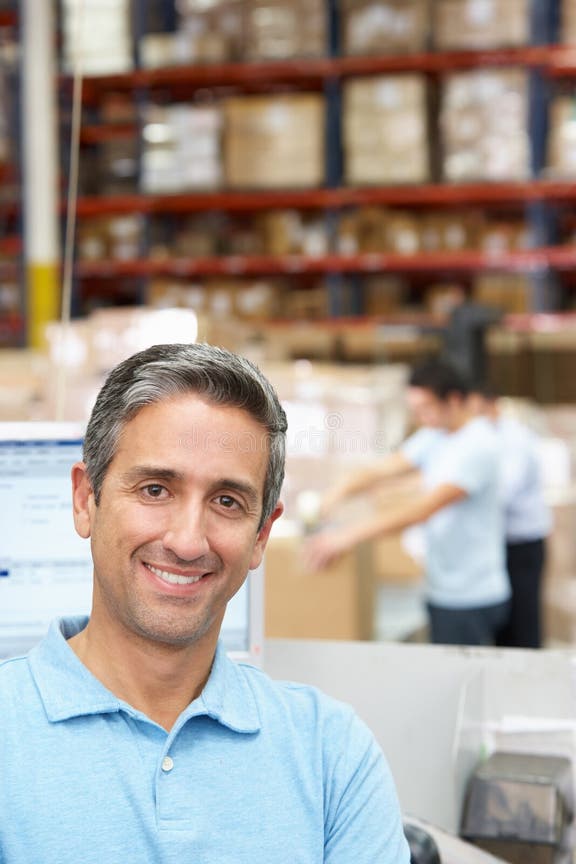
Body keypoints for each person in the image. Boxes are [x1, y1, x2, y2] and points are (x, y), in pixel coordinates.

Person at [0, 343, 409, 864]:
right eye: (154, 490)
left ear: (262, 534)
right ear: (86, 500)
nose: (188, 541)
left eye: (226, 502)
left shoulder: (331, 753)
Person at [305, 359, 510, 647]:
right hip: (443, 586)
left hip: (470, 595)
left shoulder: (478, 446)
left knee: (462, 683)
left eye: (425, 409)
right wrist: (338, 491)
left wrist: (344, 537)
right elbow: (385, 468)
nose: (419, 418)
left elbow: (422, 509)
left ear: (453, 400)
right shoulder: (436, 435)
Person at [469, 385, 552, 648]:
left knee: (524, 620)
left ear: (493, 405)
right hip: (493, 543)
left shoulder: (516, 439)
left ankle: (529, 683)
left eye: (479, 411)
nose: (475, 419)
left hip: (521, 544)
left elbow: (503, 491)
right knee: (501, 622)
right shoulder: (478, 439)